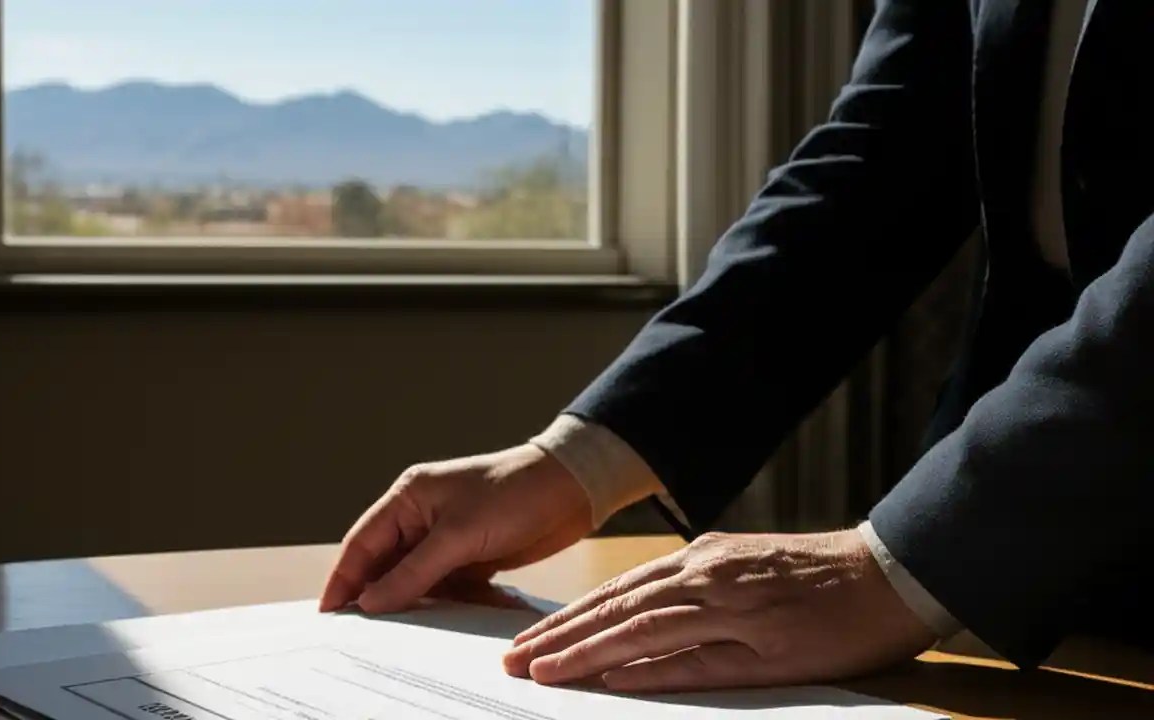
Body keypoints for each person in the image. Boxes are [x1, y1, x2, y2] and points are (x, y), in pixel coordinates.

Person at [321, 0, 1154, 694]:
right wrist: (575, 462)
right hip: (985, 563)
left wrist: (901, 561)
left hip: (990, 527)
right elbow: (882, 154)